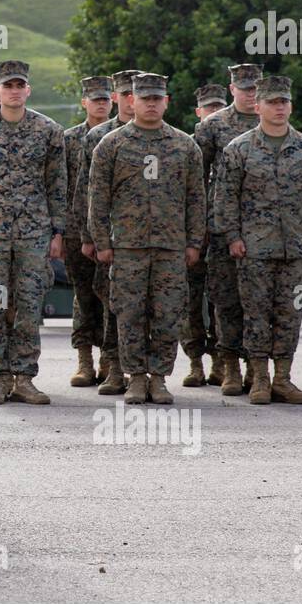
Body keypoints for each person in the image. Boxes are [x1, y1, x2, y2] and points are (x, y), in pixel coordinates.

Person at [87, 73, 204, 405]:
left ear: (166, 102)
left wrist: (194, 242)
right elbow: (99, 199)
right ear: (132, 101)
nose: (151, 104)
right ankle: (135, 377)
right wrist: (102, 242)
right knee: (129, 314)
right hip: (128, 246)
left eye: (157, 98)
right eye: (145, 98)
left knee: (168, 313)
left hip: (171, 247)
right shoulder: (112, 144)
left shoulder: (184, 145)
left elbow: (196, 199)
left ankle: (159, 377)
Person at [216, 76, 302, 404]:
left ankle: (283, 377)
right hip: (254, 248)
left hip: (294, 248)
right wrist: (233, 236)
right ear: (258, 106)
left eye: (284, 102)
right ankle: (259, 377)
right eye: (273, 102)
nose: (279, 108)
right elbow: (226, 198)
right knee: (256, 312)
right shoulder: (240, 149)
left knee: (291, 312)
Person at [0, 60, 67, 405]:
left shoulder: (48, 131)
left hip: (33, 232)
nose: (14, 92)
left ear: (28, 90)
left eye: (19, 86)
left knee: (29, 305)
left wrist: (58, 232)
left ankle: (25, 377)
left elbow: (57, 185)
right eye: (7, 86)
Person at [71, 68, 143, 394]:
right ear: (118, 98)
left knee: (137, 307)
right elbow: (85, 191)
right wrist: (88, 236)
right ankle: (108, 365)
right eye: (125, 94)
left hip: (142, 238)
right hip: (107, 237)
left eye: (135, 94)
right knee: (102, 301)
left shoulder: (155, 136)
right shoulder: (97, 137)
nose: (131, 101)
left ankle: (136, 370)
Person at [194, 64, 262, 395]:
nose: (250, 93)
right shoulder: (213, 126)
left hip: (263, 228)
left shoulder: (273, 121)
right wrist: (200, 225)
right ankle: (230, 365)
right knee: (226, 300)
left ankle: (256, 367)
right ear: (231, 89)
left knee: (259, 302)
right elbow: (195, 180)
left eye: (255, 88)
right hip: (221, 228)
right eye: (244, 88)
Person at [65, 76, 113, 387]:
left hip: (111, 230)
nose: (100, 103)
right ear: (84, 102)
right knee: (83, 297)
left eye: (105, 98)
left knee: (111, 296)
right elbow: (66, 186)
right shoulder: (69, 139)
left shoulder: (116, 136)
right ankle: (84, 361)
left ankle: (109, 357)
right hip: (76, 229)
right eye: (94, 98)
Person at [181, 83, 228, 386]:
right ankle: (195, 361)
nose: (214, 113)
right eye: (209, 108)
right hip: (193, 235)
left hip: (222, 233)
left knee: (221, 300)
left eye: (219, 107)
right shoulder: (184, 146)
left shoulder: (232, 145)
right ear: (199, 112)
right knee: (190, 300)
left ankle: (222, 362)